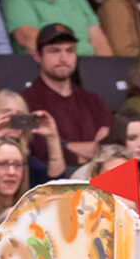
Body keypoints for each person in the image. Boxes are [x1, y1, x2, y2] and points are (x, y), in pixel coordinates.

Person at [22, 24, 112, 168]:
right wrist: (92, 150)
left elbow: (113, 147)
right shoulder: (24, 102)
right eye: (54, 51)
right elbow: (39, 153)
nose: (64, 58)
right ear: (38, 56)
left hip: (98, 181)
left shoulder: (93, 100)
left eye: (70, 51)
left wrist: (63, 145)